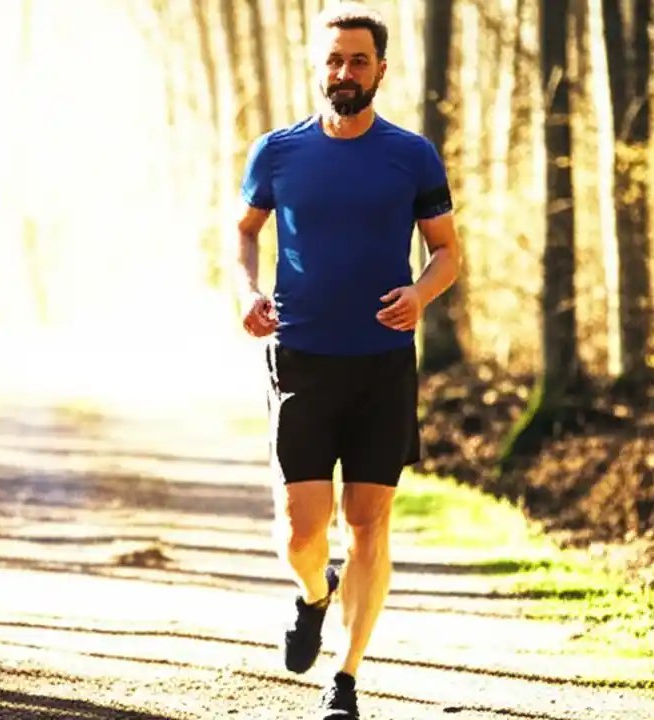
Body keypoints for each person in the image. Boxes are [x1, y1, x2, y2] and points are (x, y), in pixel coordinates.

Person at [232, 2, 462, 718]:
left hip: (382, 365)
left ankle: (347, 677)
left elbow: (447, 251)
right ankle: (313, 592)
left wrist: (421, 294)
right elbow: (244, 231)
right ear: (319, 68)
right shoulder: (277, 152)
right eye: (334, 60)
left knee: (369, 522)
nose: (344, 72)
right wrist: (246, 290)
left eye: (358, 60)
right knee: (303, 531)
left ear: (380, 71)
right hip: (299, 357)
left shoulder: (412, 155)